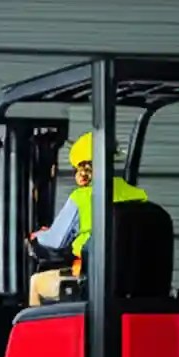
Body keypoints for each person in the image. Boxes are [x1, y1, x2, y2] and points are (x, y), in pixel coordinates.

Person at [27, 131, 148, 306]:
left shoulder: (82, 197)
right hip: (134, 283)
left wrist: (37, 236)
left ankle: (36, 333)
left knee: (36, 282)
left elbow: (56, 241)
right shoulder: (138, 195)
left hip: (94, 280)